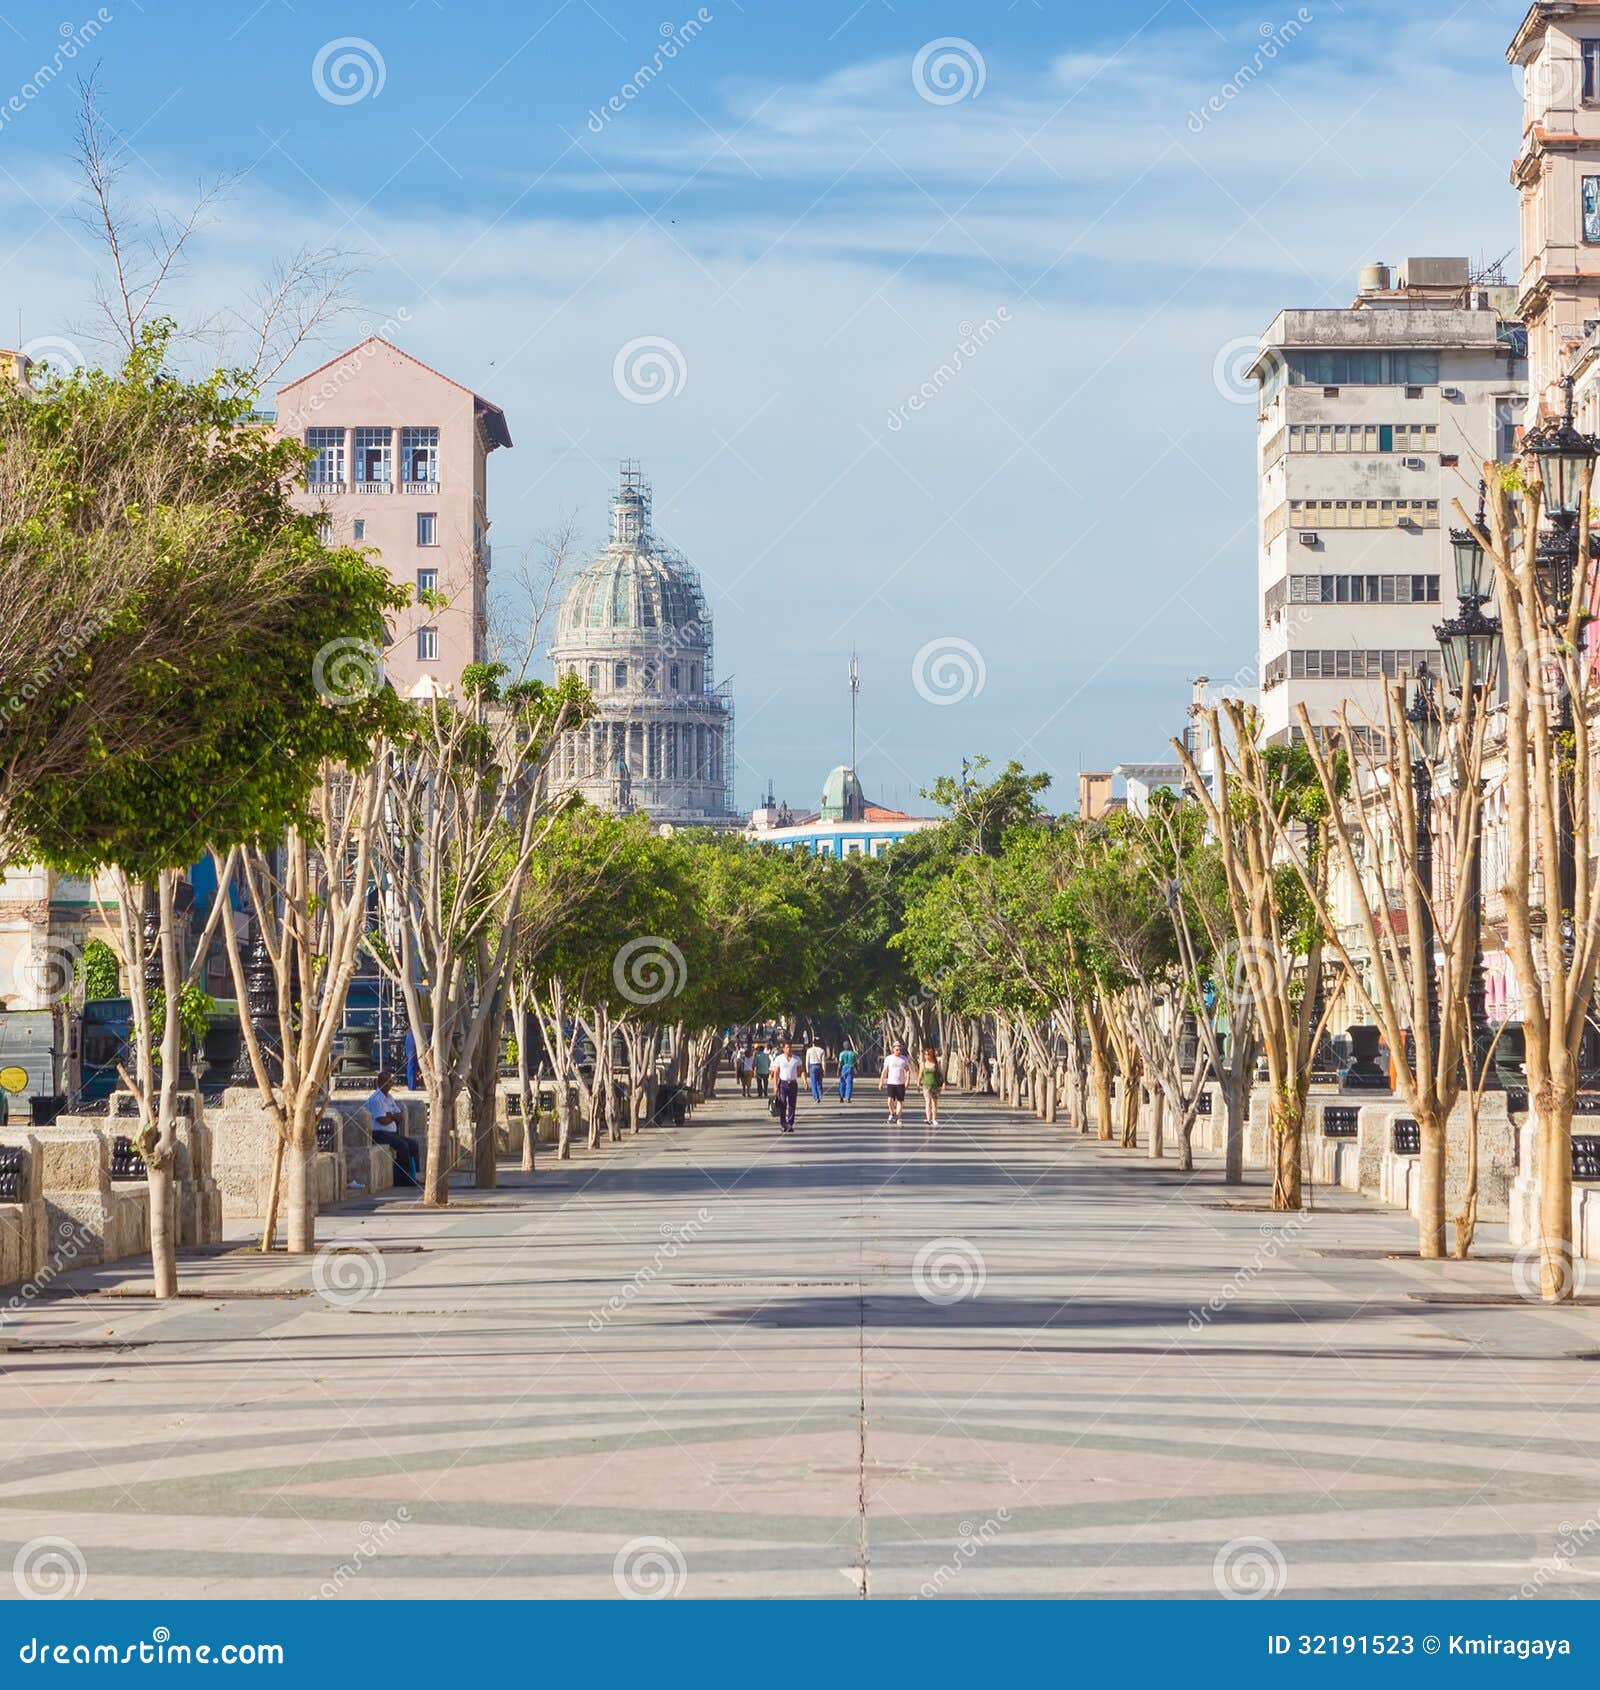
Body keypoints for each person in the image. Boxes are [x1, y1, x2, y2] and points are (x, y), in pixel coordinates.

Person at [364, 1070, 423, 1187]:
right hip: (379, 1134)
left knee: (413, 1144)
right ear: (381, 1083)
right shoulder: (376, 1099)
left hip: (392, 1133)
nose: (391, 1084)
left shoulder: (389, 1097)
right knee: (403, 1146)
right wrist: (392, 1117)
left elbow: (400, 1115)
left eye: (391, 1081)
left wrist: (391, 1116)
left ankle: (414, 1175)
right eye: (389, 1081)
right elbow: (382, 1120)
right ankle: (404, 1179)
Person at [772, 1040, 802, 1133]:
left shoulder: (796, 1059)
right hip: (783, 1084)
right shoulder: (779, 1059)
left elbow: (802, 1070)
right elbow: (776, 1073)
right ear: (783, 1049)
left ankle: (790, 1124)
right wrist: (775, 1085)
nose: (789, 1049)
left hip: (793, 1084)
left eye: (790, 1047)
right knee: (782, 1104)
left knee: (792, 1105)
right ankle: (783, 1123)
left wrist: (804, 1080)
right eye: (787, 1047)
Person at [879, 1042, 910, 1124]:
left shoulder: (904, 1059)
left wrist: (907, 1080)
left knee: (900, 1101)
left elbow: (907, 1070)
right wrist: (881, 1082)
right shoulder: (888, 1058)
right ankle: (892, 1113)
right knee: (890, 1100)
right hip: (891, 1082)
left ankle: (898, 1117)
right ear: (893, 1049)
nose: (898, 1051)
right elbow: (884, 1071)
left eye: (900, 1050)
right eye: (897, 1050)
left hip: (900, 1083)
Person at [919, 1045, 944, 1125]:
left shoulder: (936, 1064)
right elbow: (920, 1074)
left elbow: (941, 1073)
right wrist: (918, 1083)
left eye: (928, 1054)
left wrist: (943, 1083)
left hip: (935, 1085)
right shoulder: (923, 1064)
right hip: (926, 1085)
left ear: (932, 1054)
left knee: (934, 1102)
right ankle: (928, 1118)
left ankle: (934, 1119)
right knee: (928, 1102)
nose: (927, 1056)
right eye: (925, 1054)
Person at [804, 1035, 826, 1104]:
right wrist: (824, 1070)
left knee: (813, 1083)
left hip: (812, 1066)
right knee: (819, 1081)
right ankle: (820, 1094)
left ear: (813, 1043)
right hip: (819, 1066)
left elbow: (807, 1061)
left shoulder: (809, 1050)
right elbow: (823, 1062)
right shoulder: (822, 1050)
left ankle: (816, 1097)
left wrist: (807, 1070)